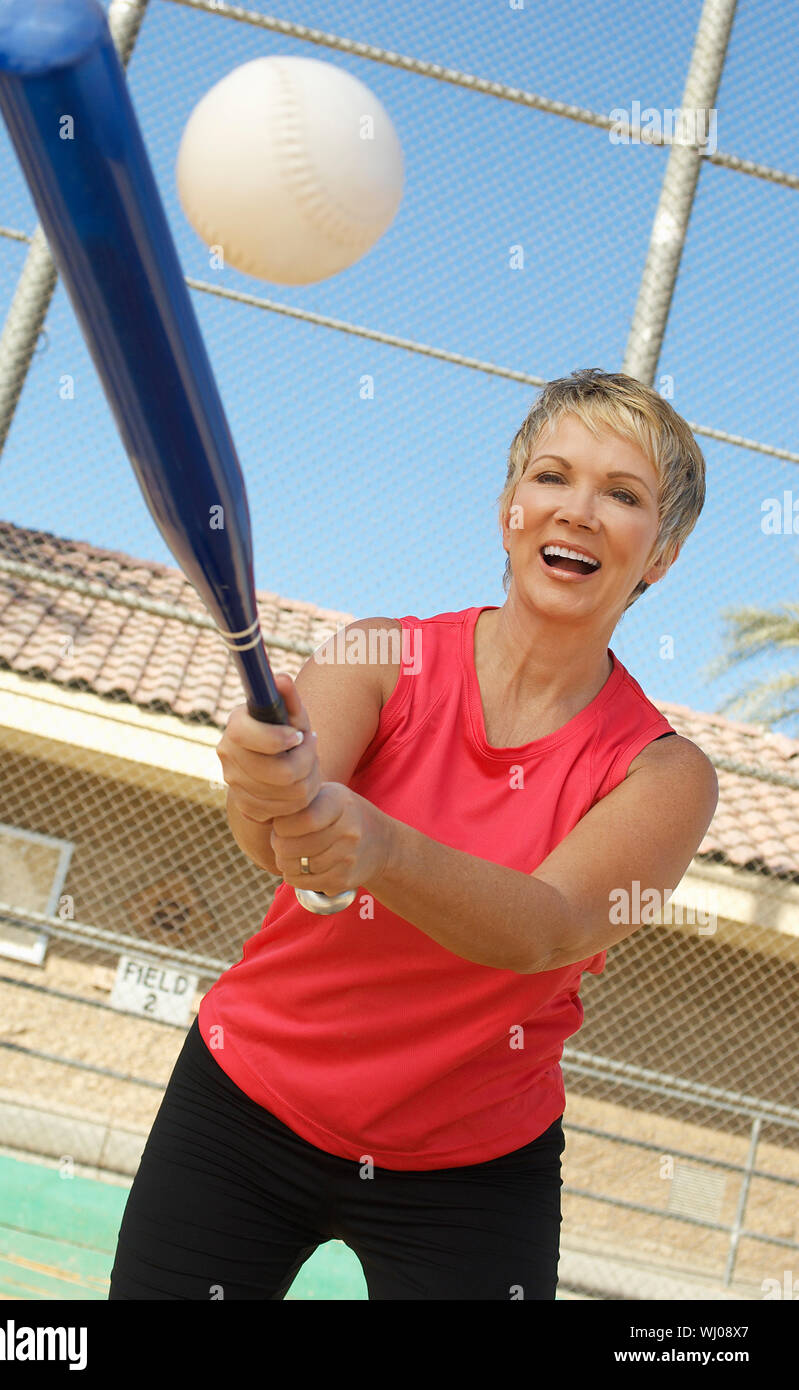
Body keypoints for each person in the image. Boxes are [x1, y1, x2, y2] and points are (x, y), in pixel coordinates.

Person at [108, 368, 719, 1301]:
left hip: (470, 1166)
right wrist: (262, 787)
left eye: (623, 495)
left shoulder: (663, 774)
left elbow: (546, 928)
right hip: (250, 1102)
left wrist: (380, 847)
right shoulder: (376, 655)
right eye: (550, 478)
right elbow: (280, 839)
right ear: (509, 508)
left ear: (663, 552)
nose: (578, 511)